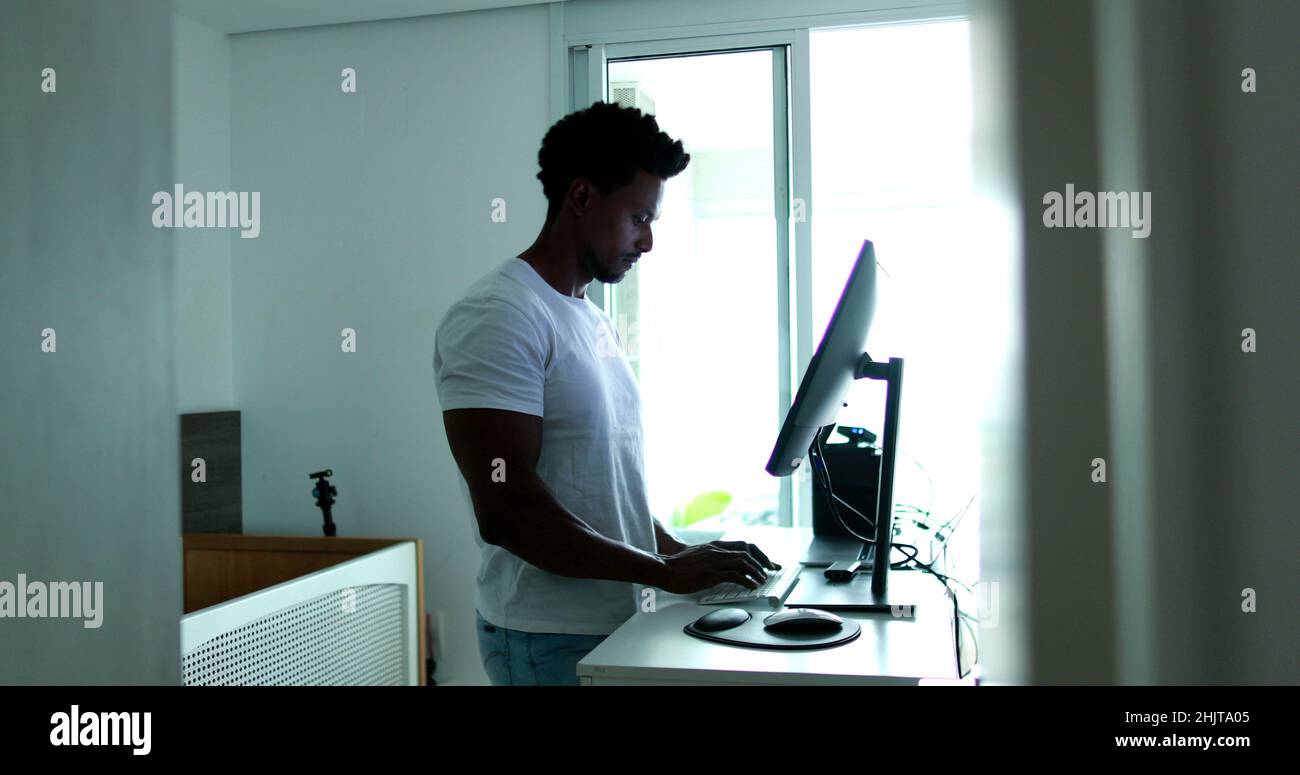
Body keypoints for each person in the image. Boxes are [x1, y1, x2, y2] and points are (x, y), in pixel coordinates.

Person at [433, 101, 780, 686]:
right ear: (583, 197)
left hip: (613, 623)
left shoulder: (590, 318)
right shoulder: (498, 315)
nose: (647, 243)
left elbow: (595, 482)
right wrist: (661, 571)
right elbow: (507, 509)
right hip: (546, 637)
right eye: (639, 218)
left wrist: (674, 550)